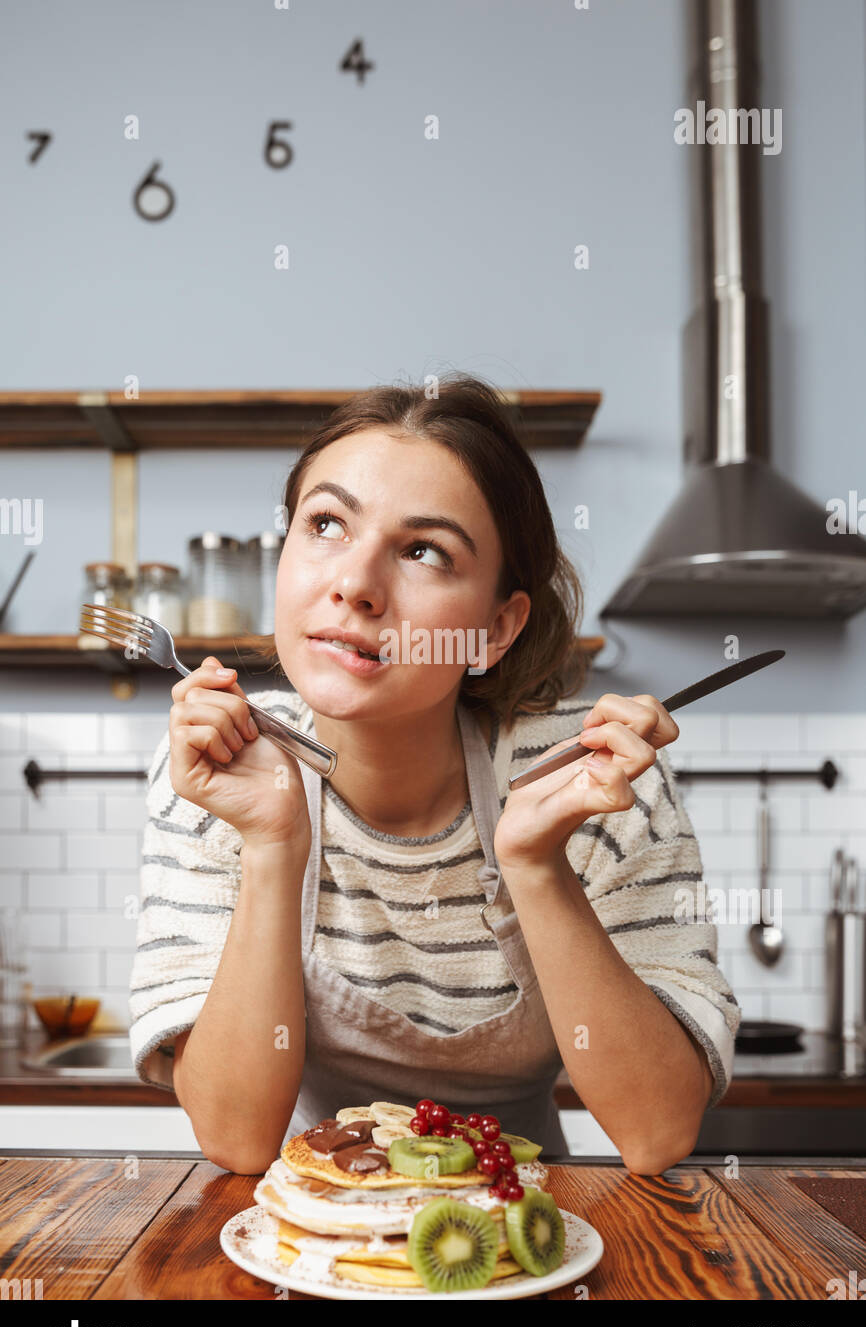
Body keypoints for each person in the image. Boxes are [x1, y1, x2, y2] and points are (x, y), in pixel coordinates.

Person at [129, 373, 740, 1175]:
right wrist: (275, 844)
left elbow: (658, 1131)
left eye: (423, 550)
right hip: (315, 1227)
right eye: (326, 524)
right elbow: (237, 1140)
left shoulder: (596, 784)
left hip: (525, 1230)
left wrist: (536, 866)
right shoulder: (216, 772)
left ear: (494, 629)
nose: (353, 584)